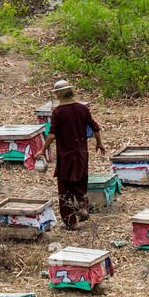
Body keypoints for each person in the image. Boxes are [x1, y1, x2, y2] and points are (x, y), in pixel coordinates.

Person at [41, 80, 105, 230]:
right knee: (80, 183)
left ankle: (72, 223)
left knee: (65, 189)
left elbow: (51, 136)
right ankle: (83, 208)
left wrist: (42, 150)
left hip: (66, 156)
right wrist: (99, 143)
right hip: (82, 153)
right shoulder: (83, 109)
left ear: (58, 94)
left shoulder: (58, 112)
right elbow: (95, 128)